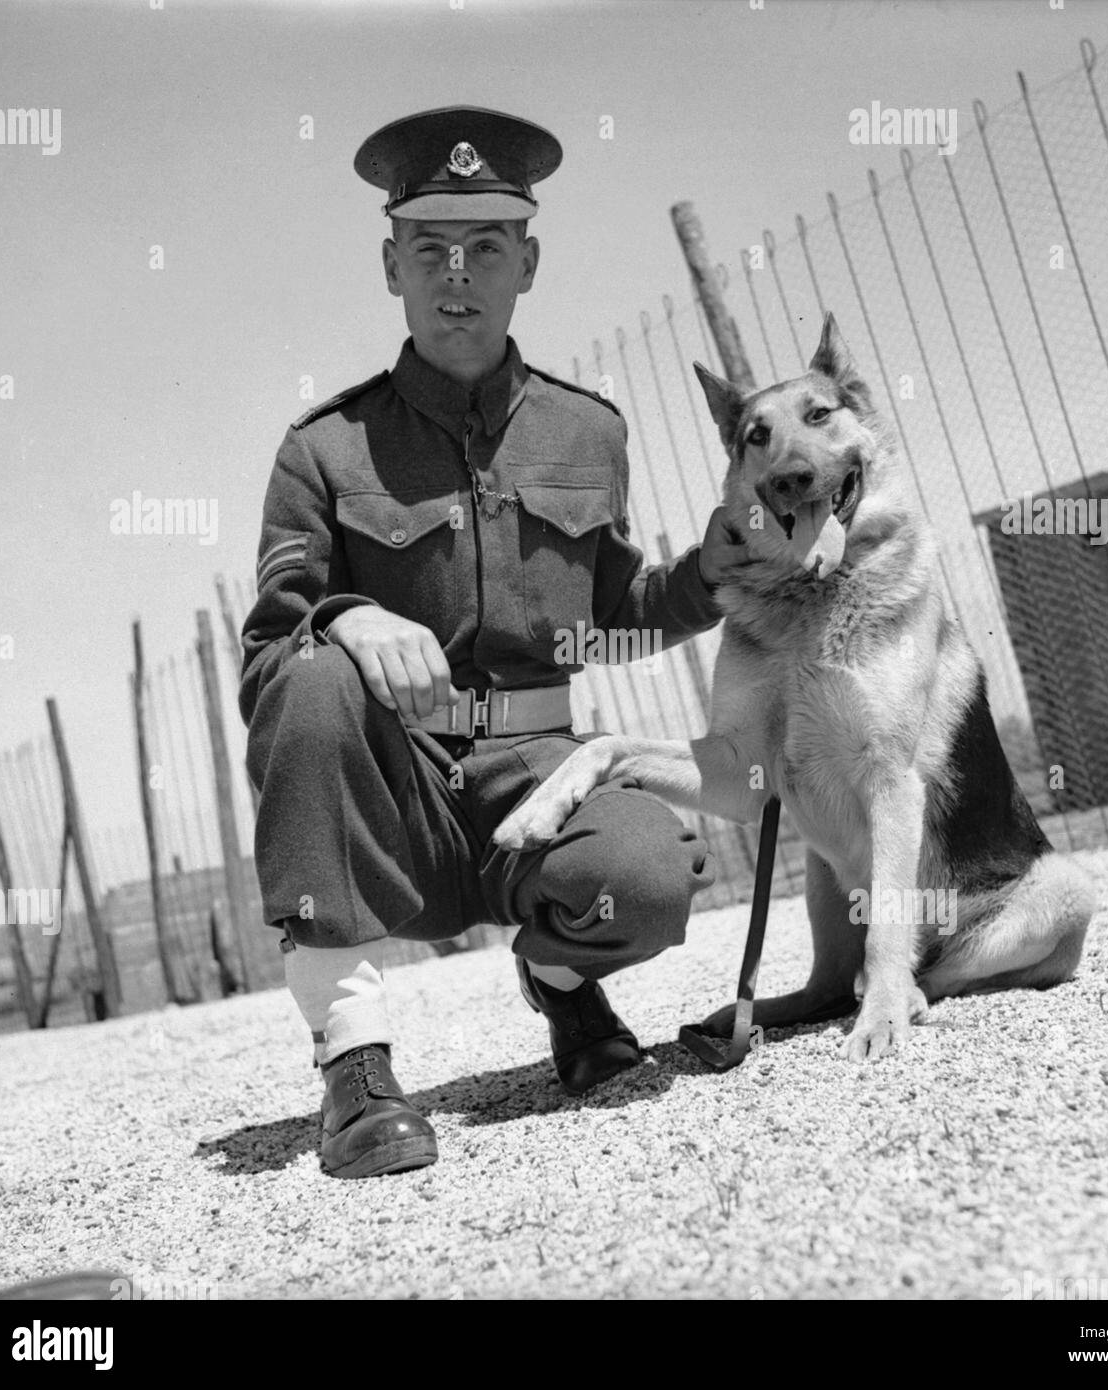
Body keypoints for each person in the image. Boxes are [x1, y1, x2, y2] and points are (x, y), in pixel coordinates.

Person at [239, 105, 746, 1179]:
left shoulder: (588, 430)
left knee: (648, 877)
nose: (455, 272)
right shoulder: (325, 449)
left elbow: (618, 609)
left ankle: (562, 984)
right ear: (391, 265)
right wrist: (347, 614)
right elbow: (268, 666)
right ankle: (356, 1068)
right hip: (401, 799)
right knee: (319, 681)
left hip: (537, 780)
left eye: (484, 248)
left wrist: (714, 569)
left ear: (528, 261)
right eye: (428, 247)